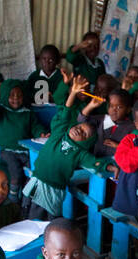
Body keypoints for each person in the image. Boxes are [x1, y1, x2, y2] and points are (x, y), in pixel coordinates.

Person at [21, 79, 110, 220]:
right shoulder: (60, 133)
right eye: (79, 127)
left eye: (84, 134)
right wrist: (73, 93)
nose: (79, 131)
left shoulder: (80, 153)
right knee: (29, 219)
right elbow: (64, 114)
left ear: (86, 142)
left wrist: (111, 167)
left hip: (54, 192)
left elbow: (95, 163)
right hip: (36, 184)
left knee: (48, 223)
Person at [0, 79, 45, 202]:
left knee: (36, 171)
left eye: (19, 95)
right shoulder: (2, 110)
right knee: (15, 172)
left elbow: (36, 126)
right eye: (11, 95)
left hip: (25, 151)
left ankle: (27, 197)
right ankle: (12, 197)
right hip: (8, 151)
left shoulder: (28, 113)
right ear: (5, 96)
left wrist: (41, 133)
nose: (16, 98)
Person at [89, 85, 134, 159]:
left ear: (128, 109)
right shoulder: (103, 119)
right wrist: (90, 106)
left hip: (117, 164)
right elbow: (81, 120)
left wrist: (119, 146)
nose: (114, 110)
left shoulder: (131, 127)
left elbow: (135, 150)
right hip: (97, 161)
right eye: (111, 106)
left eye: (119, 107)